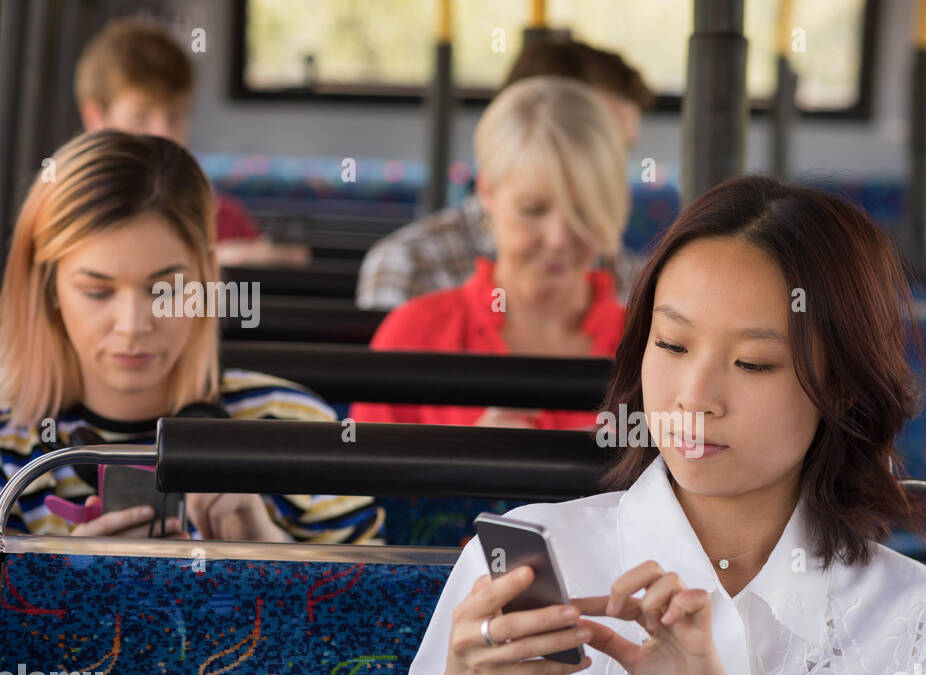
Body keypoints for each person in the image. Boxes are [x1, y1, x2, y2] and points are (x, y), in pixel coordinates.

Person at [395, 174, 926, 675]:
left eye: (752, 362)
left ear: (841, 385)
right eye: (674, 346)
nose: (694, 396)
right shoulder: (532, 565)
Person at [0, 129, 384, 544]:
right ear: (48, 288)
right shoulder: (9, 455)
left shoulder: (298, 428)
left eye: (165, 289)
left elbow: (374, 607)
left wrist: (263, 550)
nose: (132, 324)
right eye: (97, 291)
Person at [348, 77, 628, 430]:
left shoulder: (650, 343)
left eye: (583, 213)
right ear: (487, 193)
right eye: (533, 209)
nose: (558, 239)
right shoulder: (414, 335)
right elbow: (364, 483)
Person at [355, 37, 653, 311]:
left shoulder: (634, 281)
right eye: (589, 140)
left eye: (618, 153)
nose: (605, 170)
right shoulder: (413, 266)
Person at [75, 17, 309, 268]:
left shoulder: (223, 219)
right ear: (96, 118)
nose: (162, 134)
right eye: (140, 117)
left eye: (175, 115)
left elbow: (250, 301)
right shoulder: (71, 217)